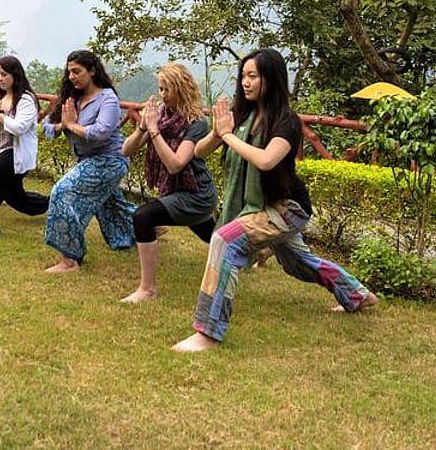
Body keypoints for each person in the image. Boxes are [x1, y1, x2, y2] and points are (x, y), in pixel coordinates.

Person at [172, 48, 377, 352]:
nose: (245, 82)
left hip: (286, 208)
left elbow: (267, 161)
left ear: (272, 78)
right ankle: (358, 294)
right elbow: (199, 152)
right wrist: (218, 134)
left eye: (253, 76)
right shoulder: (243, 116)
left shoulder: (287, 122)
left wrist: (229, 137)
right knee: (297, 263)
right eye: (243, 76)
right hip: (259, 207)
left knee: (225, 242)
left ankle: (208, 332)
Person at [119, 61, 217, 303]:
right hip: (174, 191)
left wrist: (153, 132)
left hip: (195, 193)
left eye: (166, 89)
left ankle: (147, 289)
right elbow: (126, 150)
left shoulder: (196, 123)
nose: (162, 95)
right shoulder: (161, 116)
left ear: (181, 89)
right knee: (217, 238)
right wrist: (143, 127)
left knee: (143, 217)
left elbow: (175, 164)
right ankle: (261, 250)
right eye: (160, 89)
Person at [41, 49, 136, 273]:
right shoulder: (71, 97)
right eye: (69, 72)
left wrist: (72, 125)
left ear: (92, 70)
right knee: (113, 205)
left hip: (110, 160)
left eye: (77, 71)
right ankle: (149, 225)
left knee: (62, 192)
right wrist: (63, 125)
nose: (72, 76)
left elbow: (101, 132)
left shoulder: (107, 99)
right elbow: (46, 125)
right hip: (86, 161)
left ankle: (69, 260)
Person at [0, 55, 48, 241]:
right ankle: (54, 202)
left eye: (4, 74)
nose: (0, 79)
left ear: (15, 74)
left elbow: (19, 128)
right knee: (17, 198)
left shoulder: (26, 100)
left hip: (16, 153)